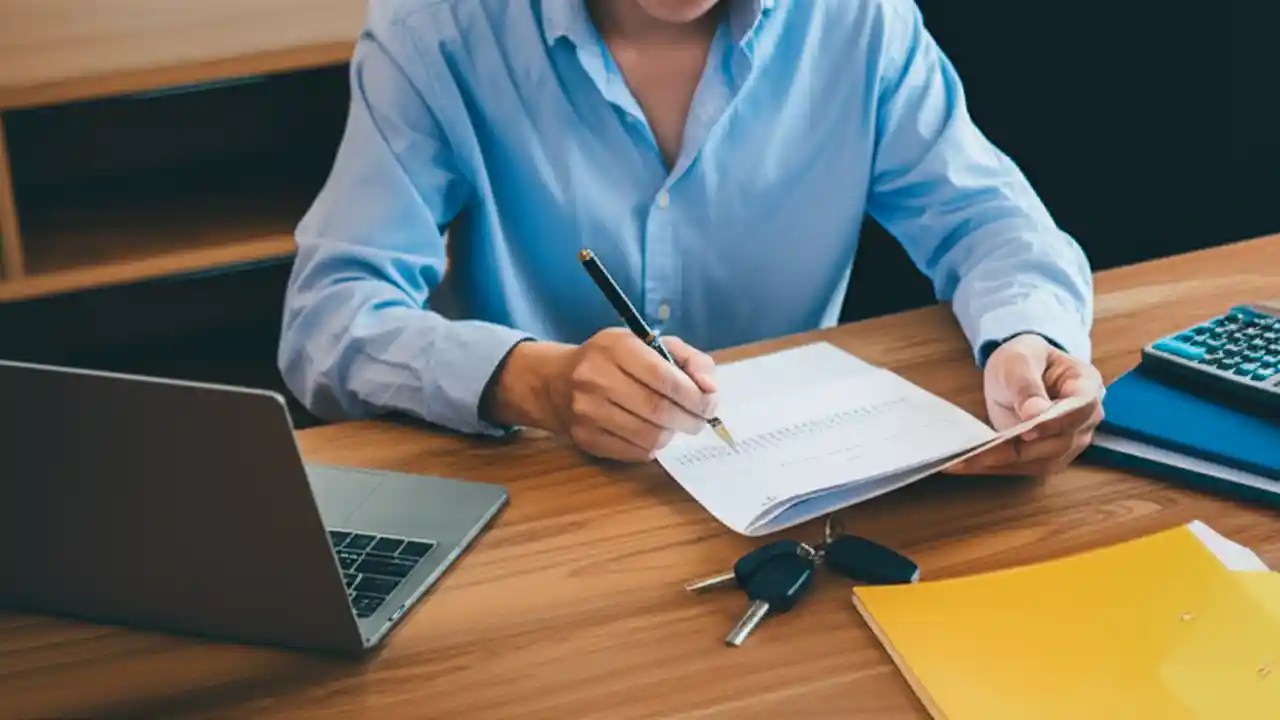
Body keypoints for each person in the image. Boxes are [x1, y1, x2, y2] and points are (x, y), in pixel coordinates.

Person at [278, 0, 1105, 475]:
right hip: (545, 498)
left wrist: (1026, 338)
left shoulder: (858, 20)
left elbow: (990, 220)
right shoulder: (438, 31)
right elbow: (329, 317)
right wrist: (532, 382)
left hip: (802, 488)